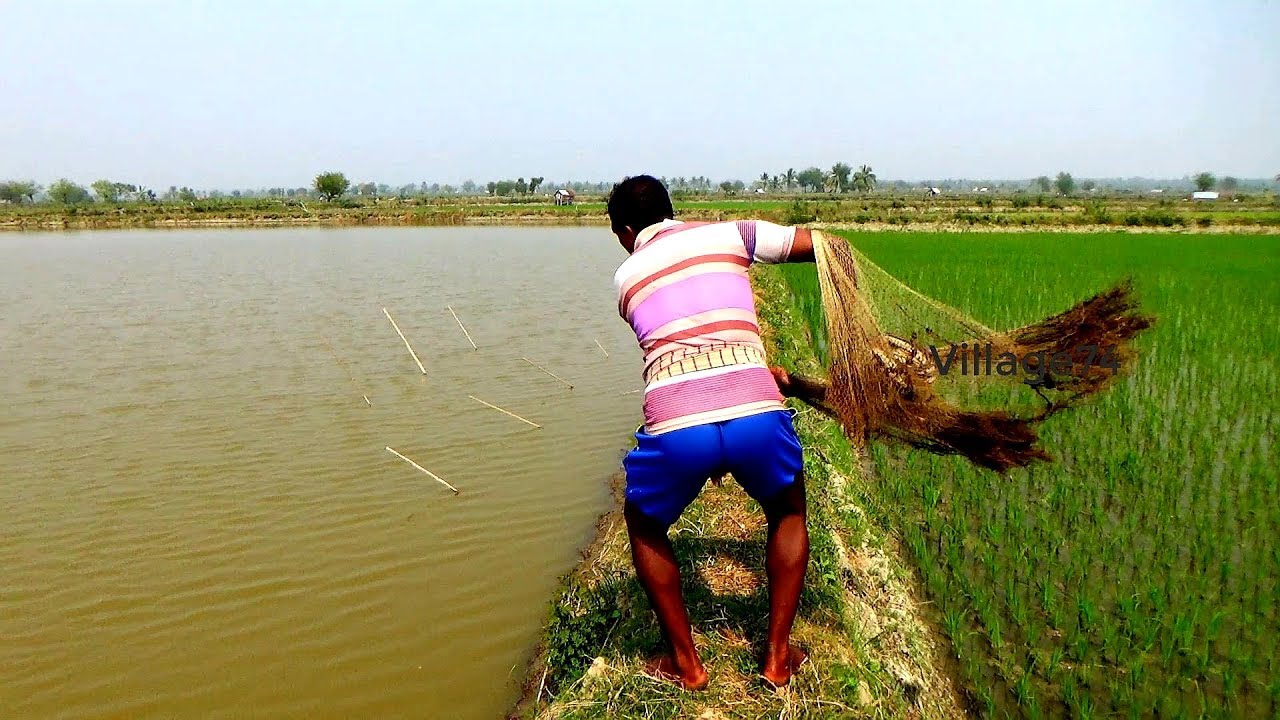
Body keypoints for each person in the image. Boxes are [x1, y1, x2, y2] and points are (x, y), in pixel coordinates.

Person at [607, 175, 816, 689]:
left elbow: (670, 335)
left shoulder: (626, 277)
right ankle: (776, 658)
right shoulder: (732, 233)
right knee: (788, 510)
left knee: (643, 523)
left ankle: (687, 665)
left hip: (679, 428)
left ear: (627, 230)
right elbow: (811, 245)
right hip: (756, 417)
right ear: (672, 210)